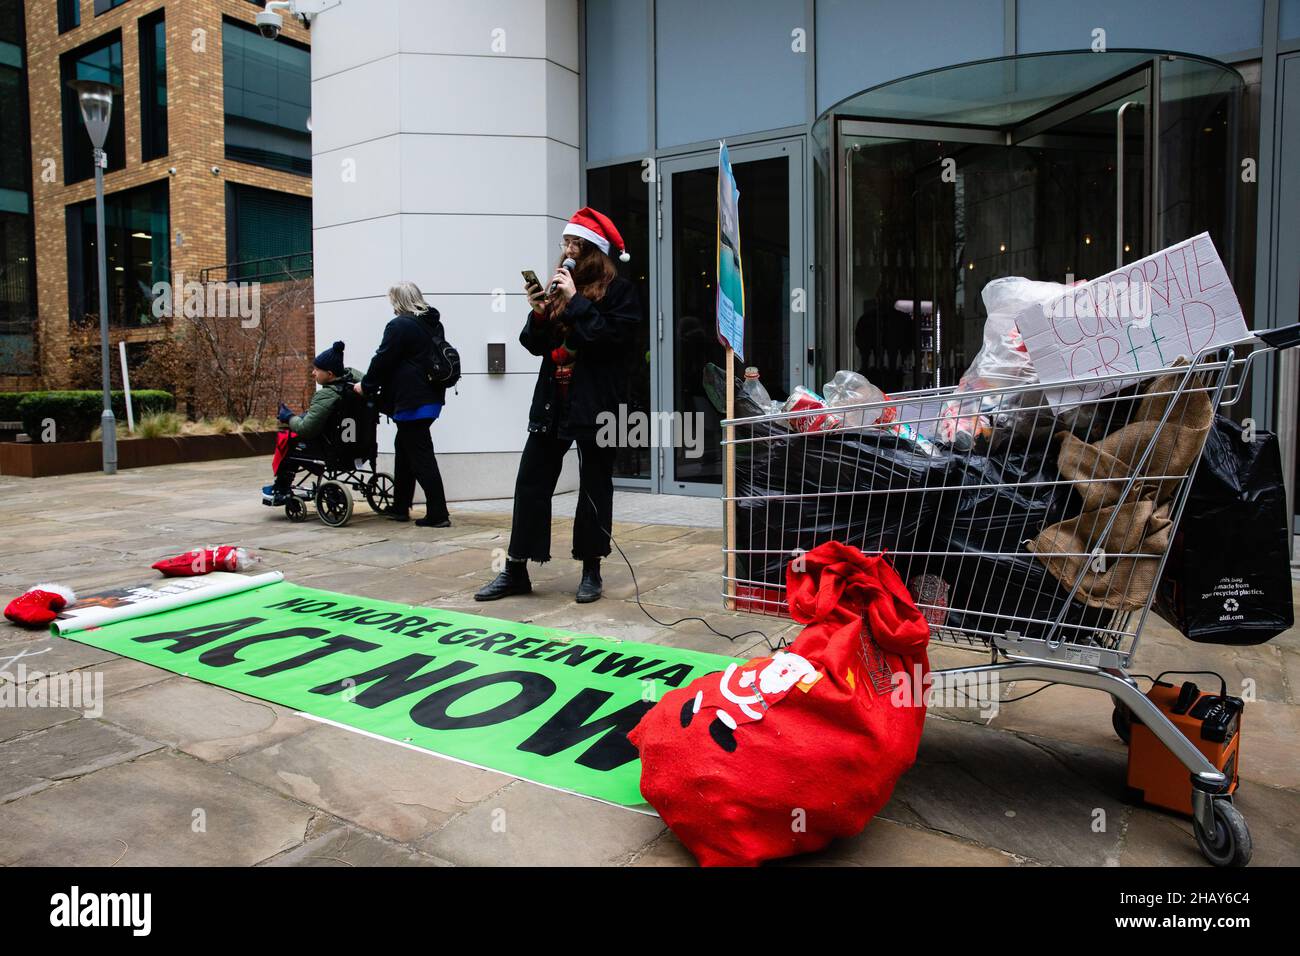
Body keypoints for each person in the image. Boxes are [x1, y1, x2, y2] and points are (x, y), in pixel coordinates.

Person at [475, 207, 640, 604]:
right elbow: (533, 345)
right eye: (565, 243)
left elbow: (612, 340)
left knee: (594, 486)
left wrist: (576, 301)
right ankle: (515, 569)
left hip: (598, 405)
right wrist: (538, 312)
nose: (566, 250)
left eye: (574, 245)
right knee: (531, 480)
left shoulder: (619, 291)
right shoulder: (556, 289)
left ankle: (591, 569)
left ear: (593, 253)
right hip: (554, 402)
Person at [354, 282, 451, 528]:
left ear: (398, 300)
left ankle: (438, 514)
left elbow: (383, 359)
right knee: (405, 448)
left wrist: (365, 386)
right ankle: (400, 507)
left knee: (421, 456)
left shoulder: (399, 325)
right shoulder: (432, 323)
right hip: (430, 397)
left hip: (412, 401)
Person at [263, 341, 363, 505]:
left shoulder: (327, 395)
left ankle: (281, 488)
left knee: (288, 439)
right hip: (360, 448)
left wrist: (288, 417)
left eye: (317, 369)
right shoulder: (354, 388)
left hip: (332, 451)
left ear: (330, 374)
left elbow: (306, 429)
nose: (313, 373)